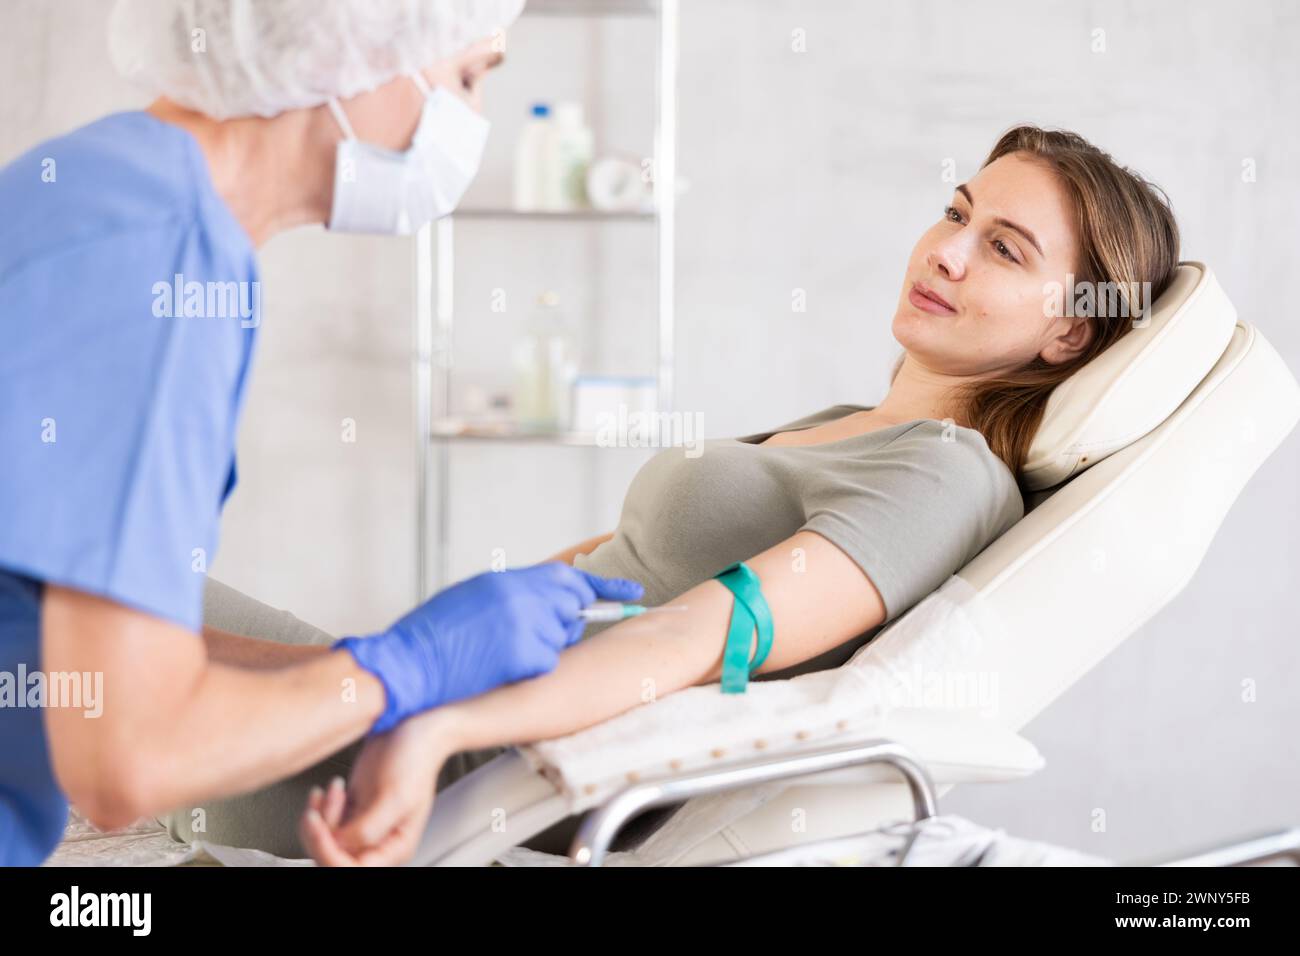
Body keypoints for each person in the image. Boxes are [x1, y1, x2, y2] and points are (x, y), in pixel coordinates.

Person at [177, 125, 1178, 865]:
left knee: (63, 602)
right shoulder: (850, 422)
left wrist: (429, 726)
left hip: (456, 766)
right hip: (429, 687)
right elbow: (622, 562)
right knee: (84, 599)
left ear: (1069, 332)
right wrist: (416, 654)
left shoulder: (942, 473)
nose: (947, 249)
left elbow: (692, 639)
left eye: (1005, 247)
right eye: (957, 211)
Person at [0, 0, 645, 867]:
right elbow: (127, 758)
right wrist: (400, 670)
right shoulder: (165, 262)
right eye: (466, 77)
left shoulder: (110, 188)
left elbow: (67, 630)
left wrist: (358, 672)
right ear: (355, 42)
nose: (473, 122)